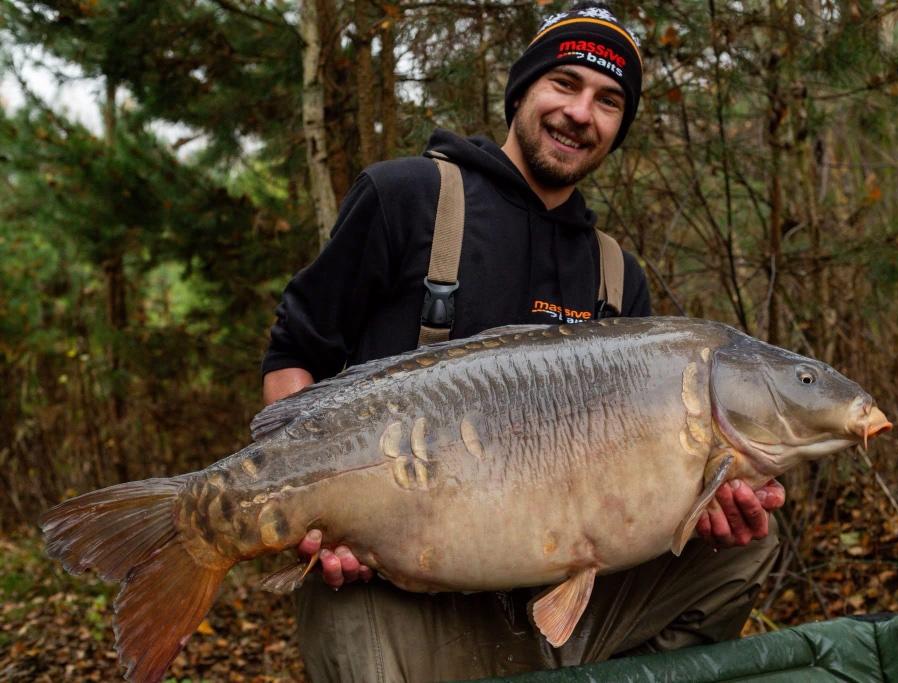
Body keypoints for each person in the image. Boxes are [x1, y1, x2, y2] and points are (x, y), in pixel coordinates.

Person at [261, 3, 785, 681]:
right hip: (392, 590)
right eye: (564, 83)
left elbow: (640, 486)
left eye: (607, 101)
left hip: (550, 599)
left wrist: (702, 501)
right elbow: (293, 352)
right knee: (341, 601)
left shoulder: (617, 278)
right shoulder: (408, 197)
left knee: (745, 549)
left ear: (618, 127)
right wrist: (294, 503)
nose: (580, 113)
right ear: (523, 90)